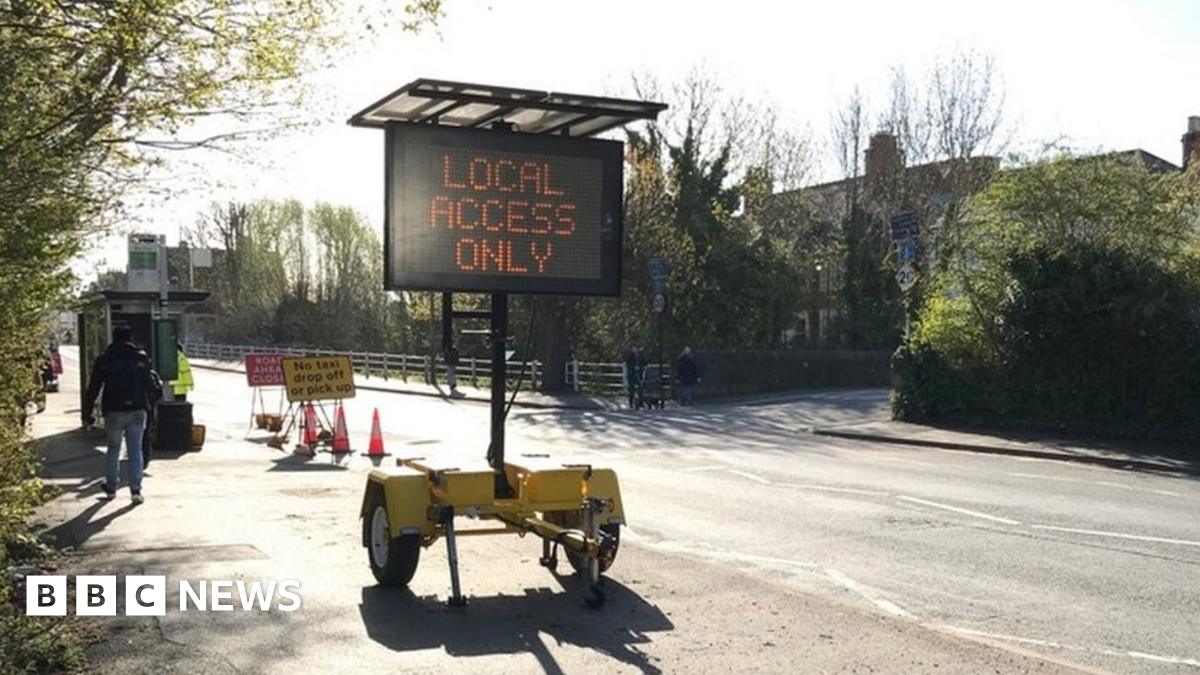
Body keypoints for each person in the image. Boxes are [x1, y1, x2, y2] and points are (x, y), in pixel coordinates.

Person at [82, 327, 161, 503]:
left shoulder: (105, 359)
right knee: (135, 449)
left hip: (113, 410)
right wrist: (150, 408)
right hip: (138, 409)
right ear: (130, 338)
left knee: (113, 448)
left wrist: (87, 414)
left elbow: (93, 388)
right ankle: (136, 490)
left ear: (114, 338)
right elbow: (150, 385)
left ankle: (111, 487)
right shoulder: (140, 357)